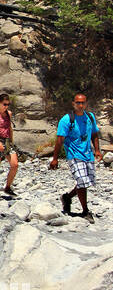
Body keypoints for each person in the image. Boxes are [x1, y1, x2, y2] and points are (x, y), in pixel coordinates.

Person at [49, 91, 102, 221]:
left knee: (84, 182)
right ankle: (85, 211)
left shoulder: (90, 117)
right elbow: (60, 140)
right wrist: (55, 159)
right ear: (73, 103)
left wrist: (97, 150)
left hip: (88, 154)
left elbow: (94, 134)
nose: (80, 105)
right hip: (74, 155)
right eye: (78, 102)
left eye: (82, 102)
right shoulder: (66, 120)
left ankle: (67, 197)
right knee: (82, 182)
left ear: (86, 103)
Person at [0, 91, 18, 198]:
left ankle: (8, 187)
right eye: (4, 104)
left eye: (8, 104)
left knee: (14, 164)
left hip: (7, 141)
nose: (6, 106)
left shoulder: (8, 114)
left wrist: (11, 141)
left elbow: (10, 128)